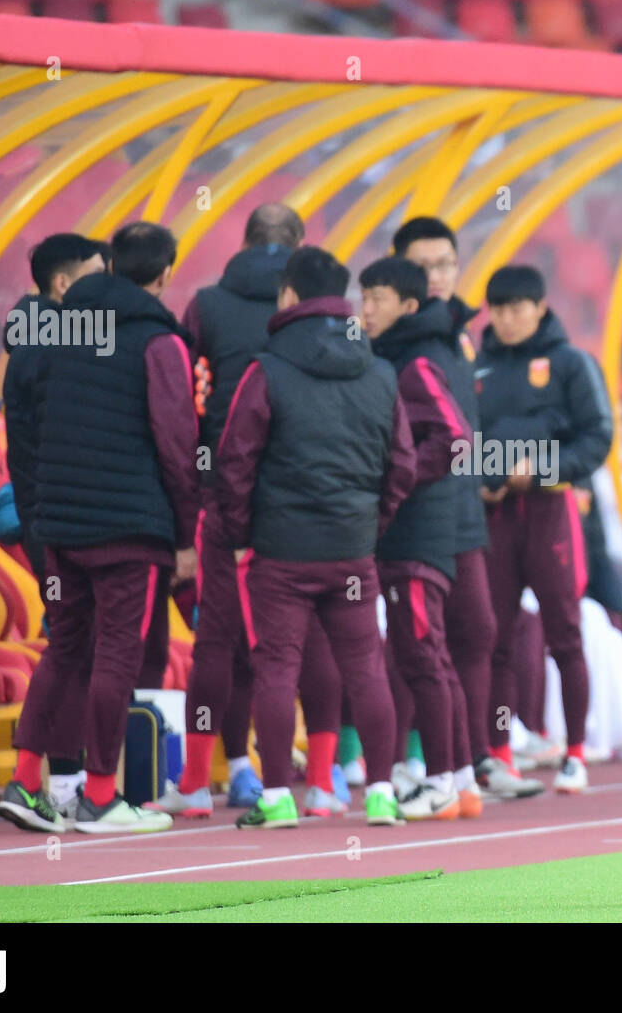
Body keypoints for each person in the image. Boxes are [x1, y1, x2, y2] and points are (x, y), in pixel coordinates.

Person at [0, 221, 200, 834]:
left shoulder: (60, 334)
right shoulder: (160, 342)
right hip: (128, 531)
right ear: (164, 275)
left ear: (111, 268)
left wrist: (42, 518)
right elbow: (177, 444)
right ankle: (101, 796)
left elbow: (32, 428)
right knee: (118, 653)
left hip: (60, 526)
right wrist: (186, 536)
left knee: (64, 648)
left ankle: (25, 780)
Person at [213, 246, 417, 829]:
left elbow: (234, 463)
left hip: (280, 553)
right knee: (366, 666)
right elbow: (401, 463)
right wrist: (369, 524)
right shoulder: (378, 371)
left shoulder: (265, 369)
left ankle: (276, 797)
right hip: (352, 552)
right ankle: (380, 793)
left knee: (276, 666)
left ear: (288, 296)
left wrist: (243, 532)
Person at [147, 204, 305, 817]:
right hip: (296, 496)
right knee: (293, 641)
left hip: (222, 487)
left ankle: (195, 783)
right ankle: (317, 780)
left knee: (217, 638)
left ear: (244, 243)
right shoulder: (309, 312)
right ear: (296, 247)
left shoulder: (206, 305)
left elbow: (185, 392)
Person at [393, 218, 542, 799]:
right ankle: (413, 760)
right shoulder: (400, 337)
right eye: (424, 266)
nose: (437, 276)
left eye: (445, 265)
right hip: (415, 511)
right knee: (411, 640)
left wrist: (486, 475)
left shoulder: (459, 333)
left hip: (462, 508)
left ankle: (477, 756)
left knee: (478, 630)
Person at [476, 264, 613, 795]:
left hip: (552, 515)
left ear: (539, 307)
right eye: (499, 310)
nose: (507, 320)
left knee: (565, 634)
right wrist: (486, 479)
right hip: (495, 519)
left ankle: (575, 752)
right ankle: (500, 753)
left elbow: (596, 439)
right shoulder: (475, 370)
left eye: (517, 308)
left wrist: (538, 472)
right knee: (497, 639)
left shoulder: (571, 364)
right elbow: (459, 441)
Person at [361, 255, 480, 819]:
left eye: (376, 299)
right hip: (411, 534)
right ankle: (457, 779)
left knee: (421, 656)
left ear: (407, 305)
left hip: (417, 536)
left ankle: (440, 781)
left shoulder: (415, 362)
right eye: (362, 298)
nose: (366, 310)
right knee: (426, 656)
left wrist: (399, 476)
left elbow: (457, 438)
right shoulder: (395, 356)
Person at [0, 233, 104, 818]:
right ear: (62, 284)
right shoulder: (46, 349)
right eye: (94, 275)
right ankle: (36, 780)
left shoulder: (43, 338)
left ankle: (57, 783)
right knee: (71, 645)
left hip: (55, 518)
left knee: (75, 644)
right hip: (58, 523)